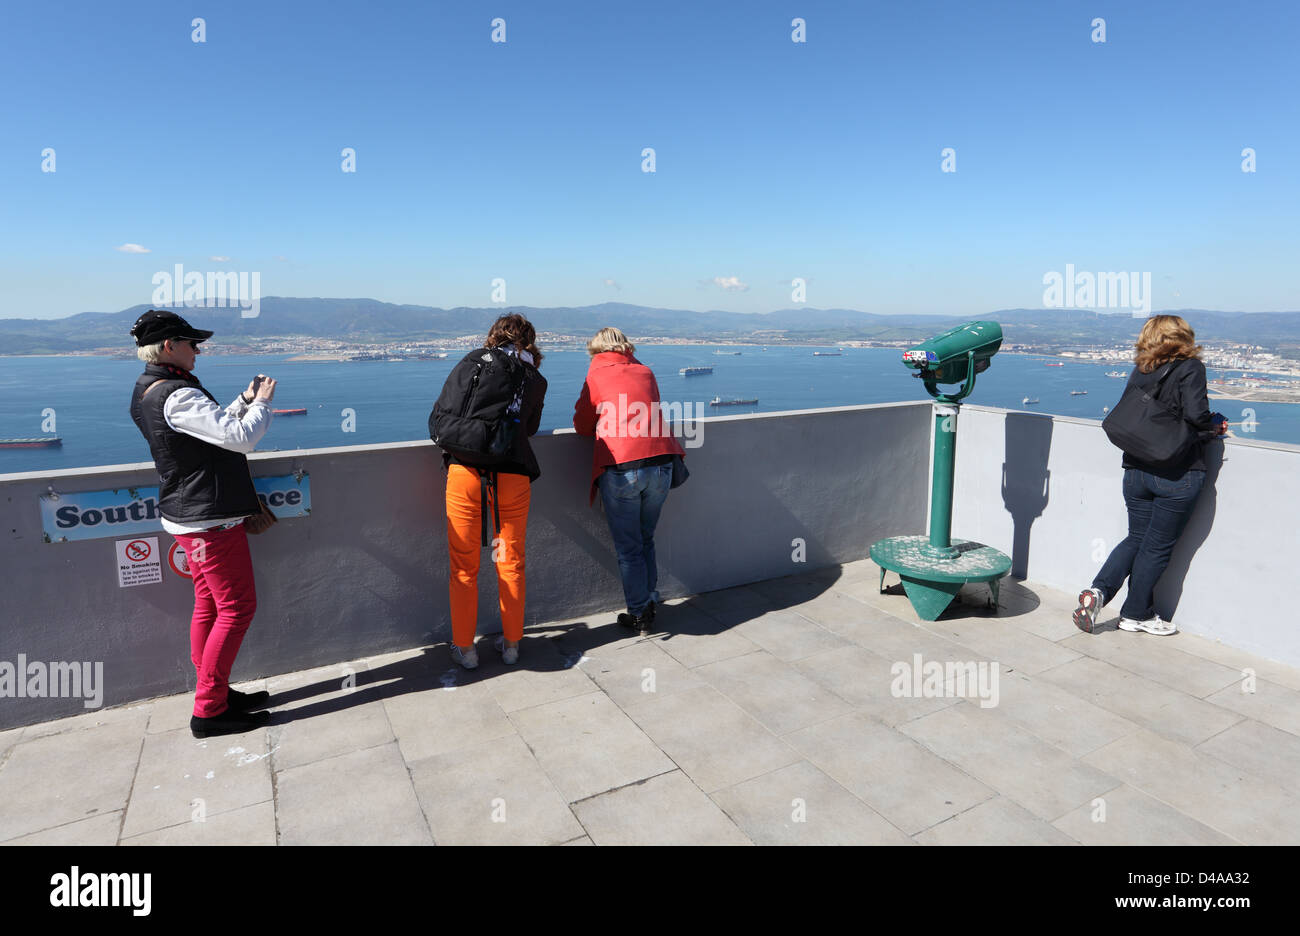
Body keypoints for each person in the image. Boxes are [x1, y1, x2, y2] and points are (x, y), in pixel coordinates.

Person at [128, 309, 277, 737]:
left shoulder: (151, 389)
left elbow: (214, 430)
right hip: (209, 520)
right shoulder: (176, 393)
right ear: (169, 346)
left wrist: (244, 402)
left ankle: (217, 692)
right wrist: (263, 405)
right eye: (192, 343)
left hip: (188, 515)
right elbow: (240, 438)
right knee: (236, 608)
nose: (198, 350)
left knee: (210, 605)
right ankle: (209, 708)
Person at [1073, 315, 1228, 636]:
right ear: (1182, 337)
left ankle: (1098, 591)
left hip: (1135, 471)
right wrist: (1214, 425)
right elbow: (1197, 415)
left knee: (1136, 539)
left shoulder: (1142, 367)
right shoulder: (1191, 368)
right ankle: (1135, 614)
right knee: (1156, 548)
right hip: (1177, 473)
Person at [434, 314, 547, 669]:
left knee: (463, 568)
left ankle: (465, 649)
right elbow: (529, 427)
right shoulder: (534, 379)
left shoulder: (472, 362)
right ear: (528, 341)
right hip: (512, 475)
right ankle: (512, 644)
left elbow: (444, 411)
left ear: (493, 336)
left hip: (464, 471)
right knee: (510, 562)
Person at [572, 327, 686, 631]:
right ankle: (649, 597)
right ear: (625, 347)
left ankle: (638, 612)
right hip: (661, 464)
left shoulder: (596, 375)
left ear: (597, 351)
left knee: (629, 548)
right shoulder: (645, 371)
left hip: (624, 467)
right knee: (645, 538)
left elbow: (582, 424)